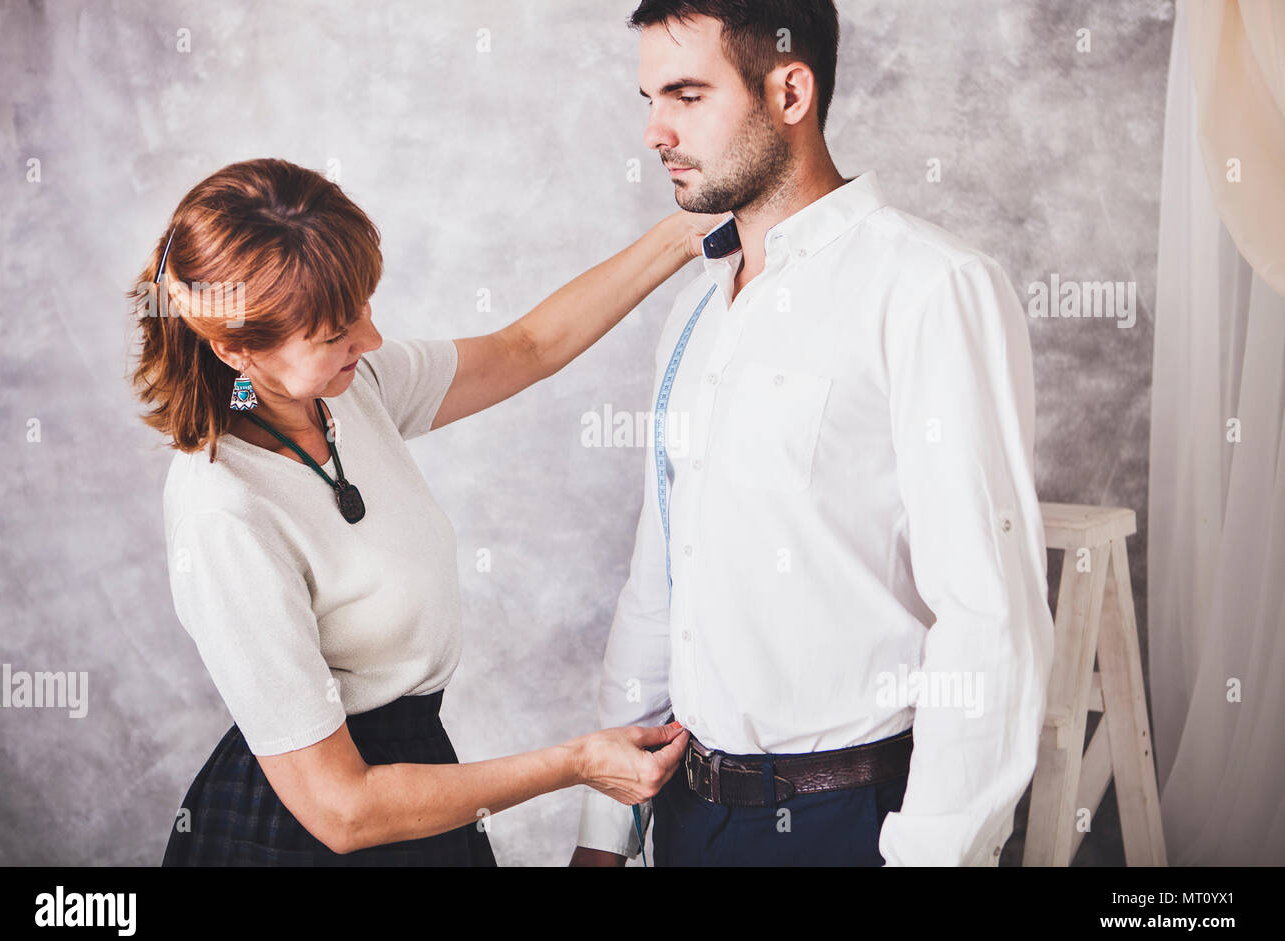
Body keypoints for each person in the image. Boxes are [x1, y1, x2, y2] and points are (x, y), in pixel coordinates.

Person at [571, 0, 1055, 867]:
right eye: (647, 98)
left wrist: (932, 856)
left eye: (685, 95)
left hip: (851, 824)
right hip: (687, 818)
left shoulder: (930, 290)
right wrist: (606, 833)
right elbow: (659, 585)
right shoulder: (695, 312)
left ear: (790, 90)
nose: (653, 130)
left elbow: (987, 615)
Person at [129, 157, 715, 865]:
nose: (369, 341)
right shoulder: (223, 511)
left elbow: (525, 348)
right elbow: (343, 812)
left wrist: (683, 234)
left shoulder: (350, 388)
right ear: (234, 350)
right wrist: (577, 764)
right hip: (313, 829)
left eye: (364, 310)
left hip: (416, 785)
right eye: (334, 334)